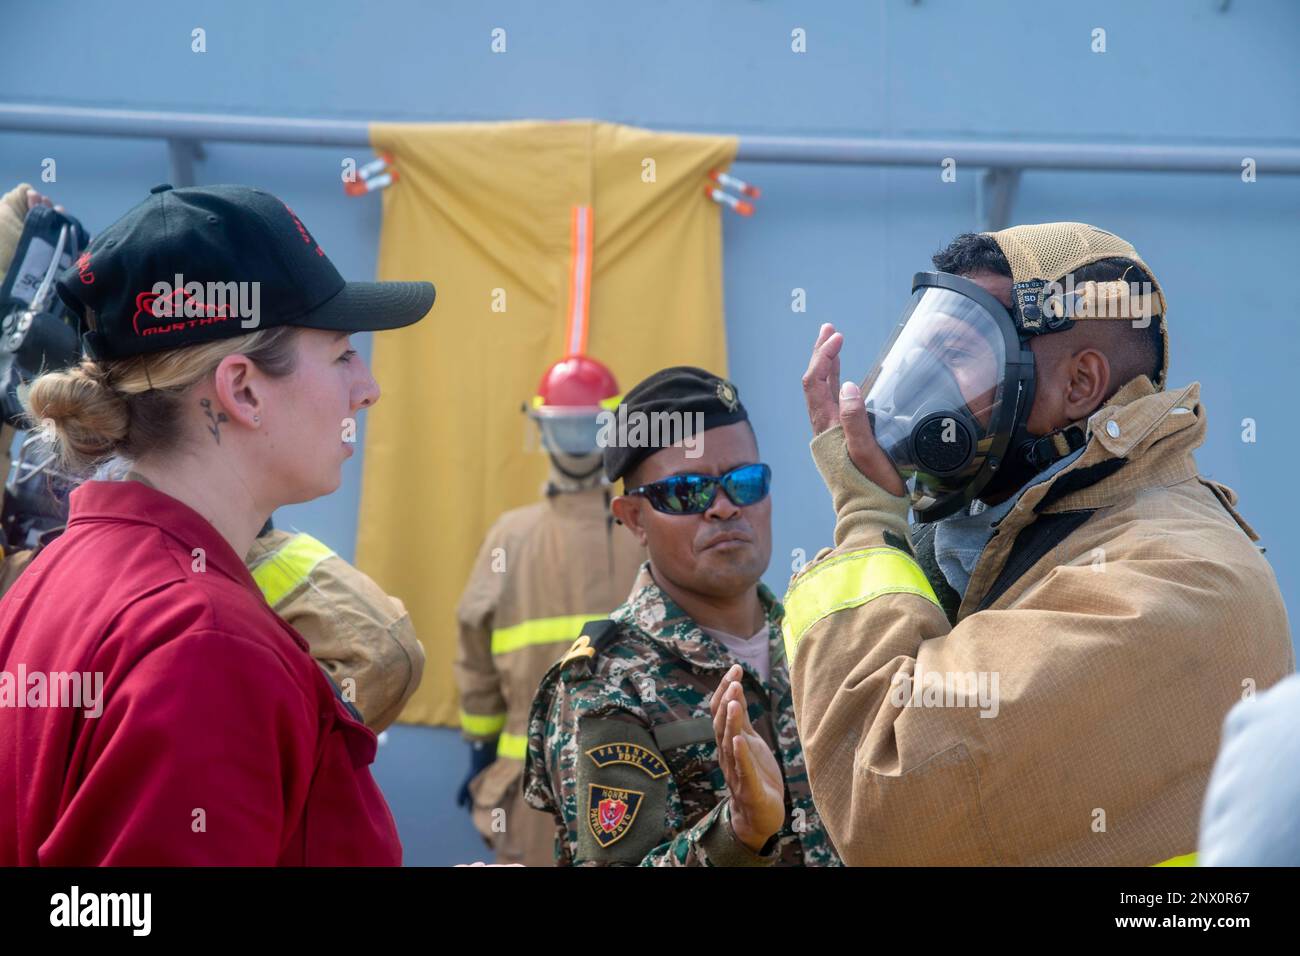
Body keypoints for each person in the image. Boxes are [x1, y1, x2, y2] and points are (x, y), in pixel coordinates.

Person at [785, 222, 1292, 865]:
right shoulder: (1015, 536)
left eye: (957, 353)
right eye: (921, 350)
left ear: (1078, 386)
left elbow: (881, 792)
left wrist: (866, 516)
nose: (921, 385)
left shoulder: (1176, 578)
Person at [0, 183, 435, 865]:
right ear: (243, 390)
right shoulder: (207, 646)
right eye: (343, 353)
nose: (367, 388)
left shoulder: (57, 576)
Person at [524, 367, 840, 866]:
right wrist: (739, 832)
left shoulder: (816, 640)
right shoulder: (604, 684)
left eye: (745, 482)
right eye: (687, 491)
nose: (723, 507)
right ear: (633, 519)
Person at [455, 355, 645, 865]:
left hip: (604, 786)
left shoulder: (645, 527)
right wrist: (482, 749)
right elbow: (474, 655)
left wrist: (479, 751)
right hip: (565, 790)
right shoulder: (647, 527)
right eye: (569, 429)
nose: (577, 442)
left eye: (587, 429)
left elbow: (474, 661)